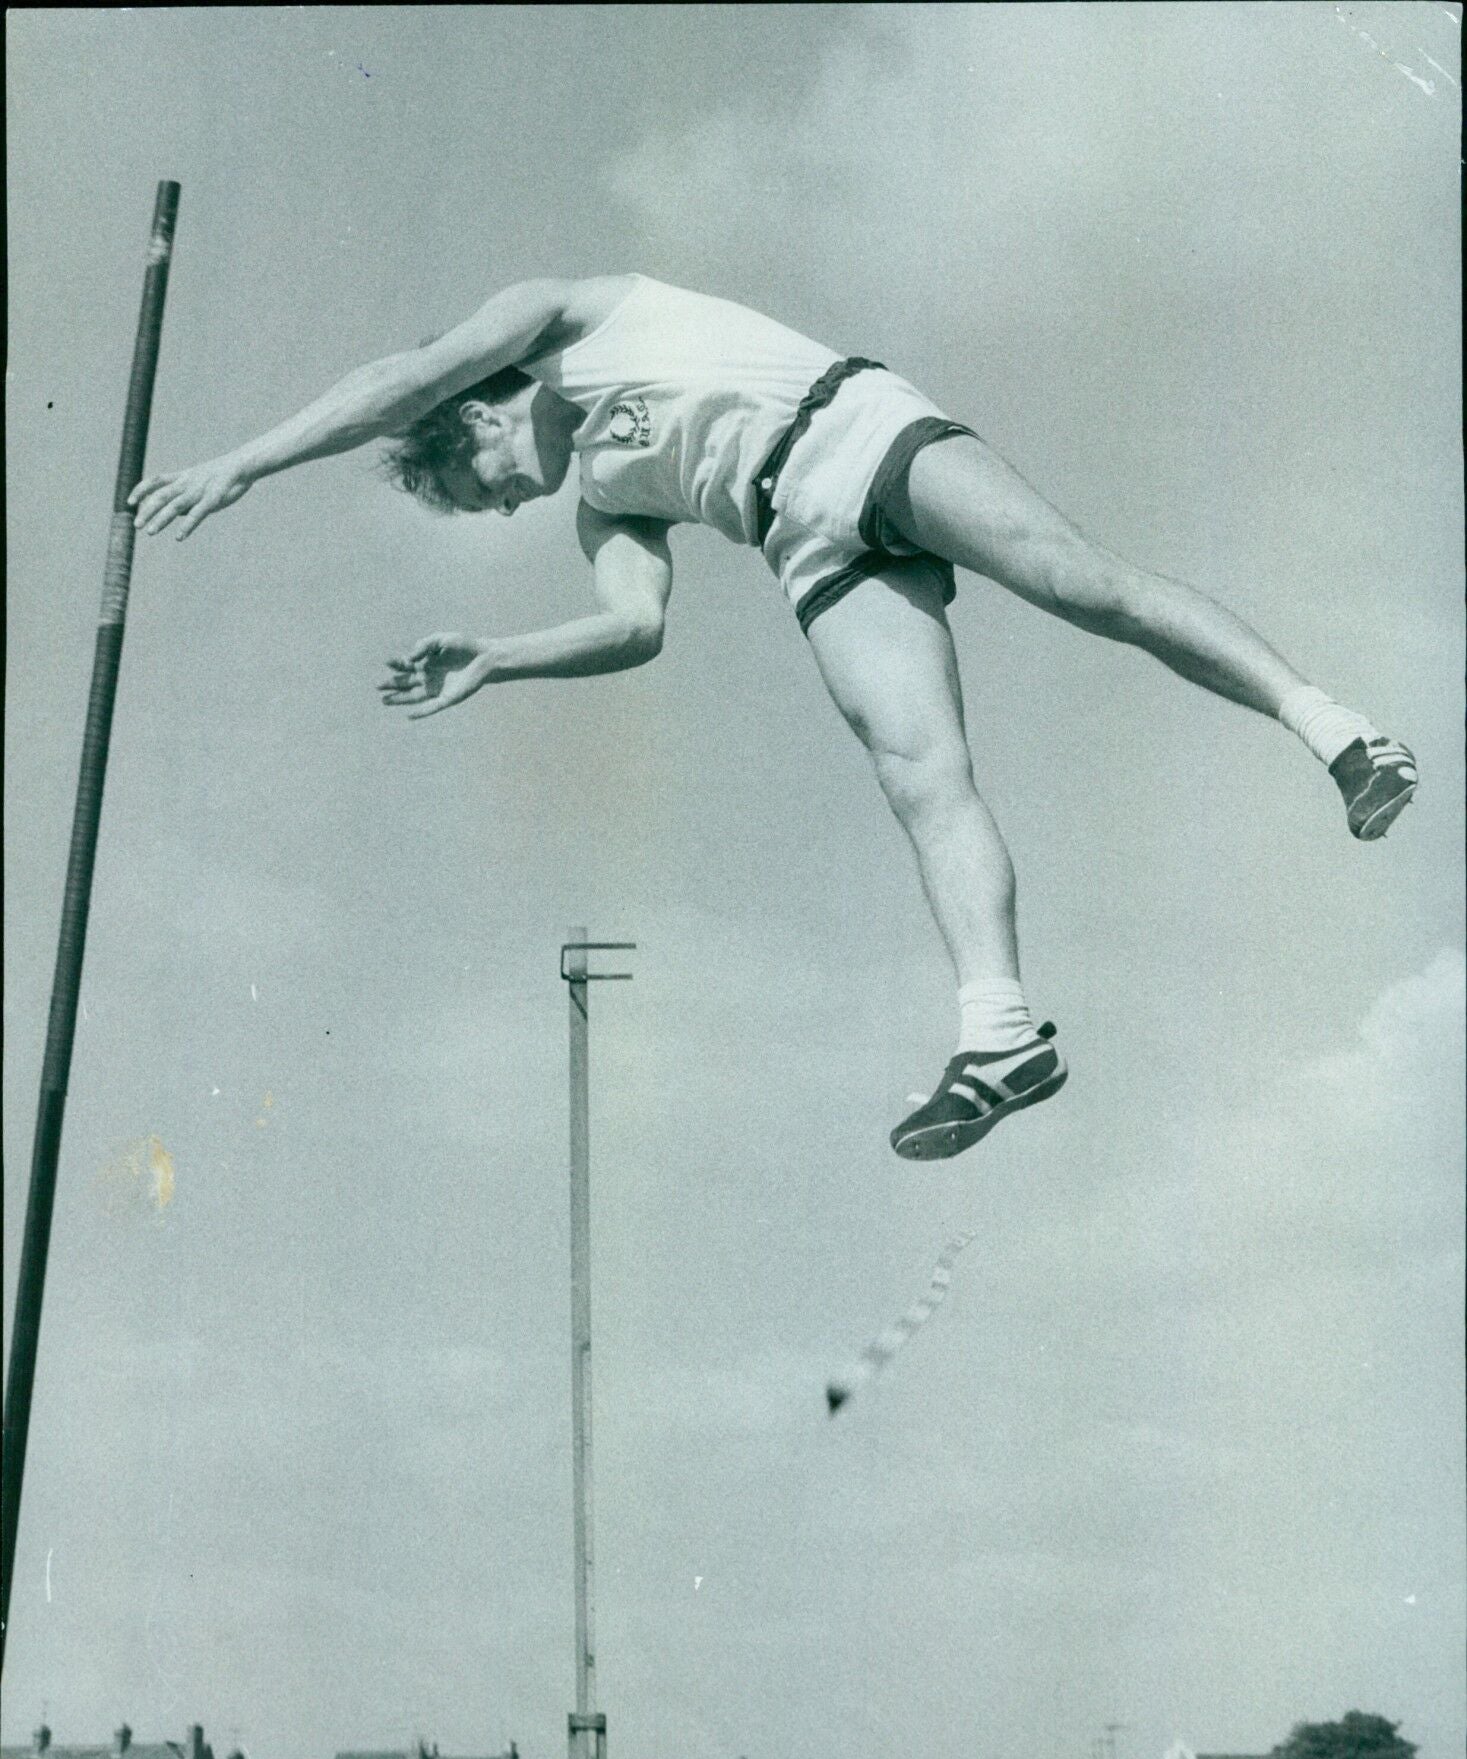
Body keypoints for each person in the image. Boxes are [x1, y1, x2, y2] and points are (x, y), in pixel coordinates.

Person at [129, 273, 1417, 1161]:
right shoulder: (606, 503)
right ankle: (1001, 1037)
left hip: (847, 430)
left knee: (1081, 585)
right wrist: (500, 658)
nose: (513, 507)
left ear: (471, 414)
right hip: (800, 541)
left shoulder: (563, 316)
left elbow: (397, 376)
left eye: (486, 488)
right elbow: (637, 628)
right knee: (918, 773)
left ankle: (1337, 732)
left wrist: (242, 463)